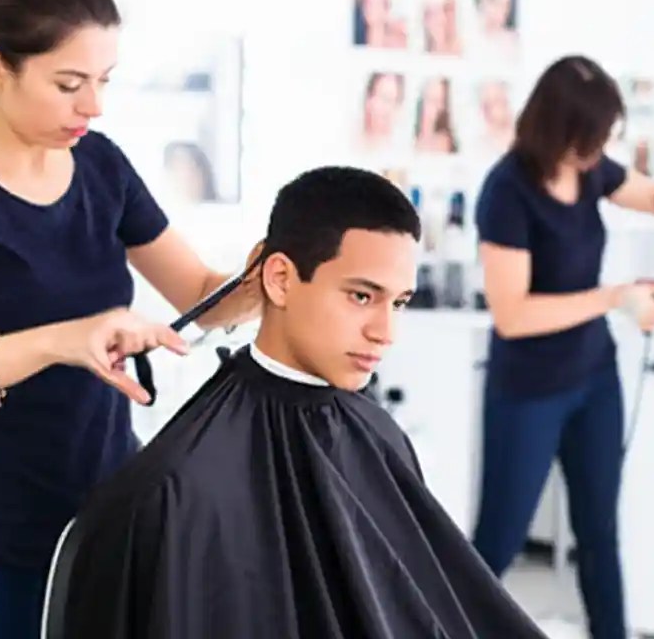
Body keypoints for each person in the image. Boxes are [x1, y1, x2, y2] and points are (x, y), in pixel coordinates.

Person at [0, 0, 261, 639]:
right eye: (69, 82)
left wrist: (262, 279)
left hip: (102, 534)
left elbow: (198, 292)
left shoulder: (101, 165)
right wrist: (58, 341)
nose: (94, 105)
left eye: (103, 80)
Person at [43, 166, 548, 639]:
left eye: (398, 302)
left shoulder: (379, 435)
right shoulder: (175, 489)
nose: (385, 332)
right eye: (361, 296)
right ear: (280, 279)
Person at [470, 54, 654, 639]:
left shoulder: (591, 168)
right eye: (591, 138)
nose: (600, 150)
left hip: (593, 380)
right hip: (528, 391)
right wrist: (614, 298)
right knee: (495, 543)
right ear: (559, 130)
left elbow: (651, 197)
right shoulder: (506, 193)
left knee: (599, 531)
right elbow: (513, 314)